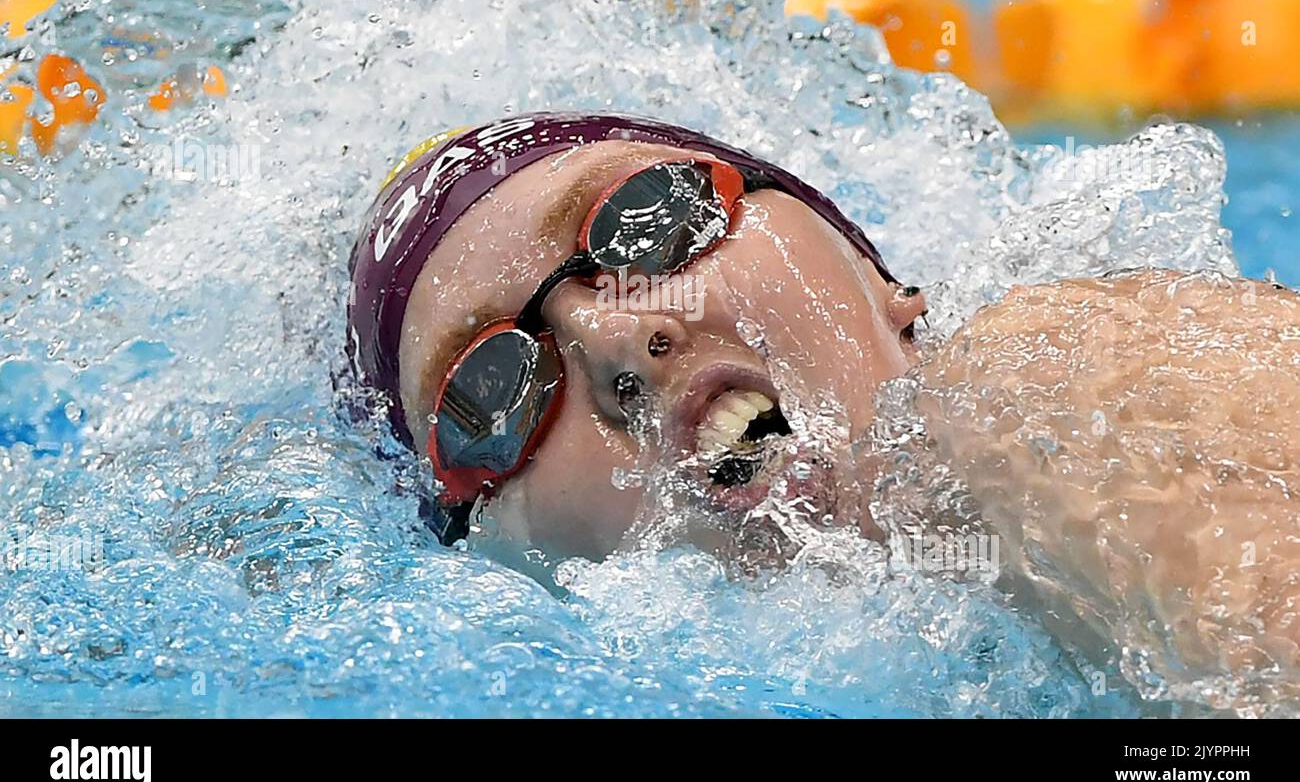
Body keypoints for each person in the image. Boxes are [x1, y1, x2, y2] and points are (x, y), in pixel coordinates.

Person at [346, 112, 1300, 699]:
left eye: (650, 218)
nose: (612, 343)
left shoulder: (1051, 379)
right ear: (497, 558)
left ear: (874, 275)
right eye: (489, 389)